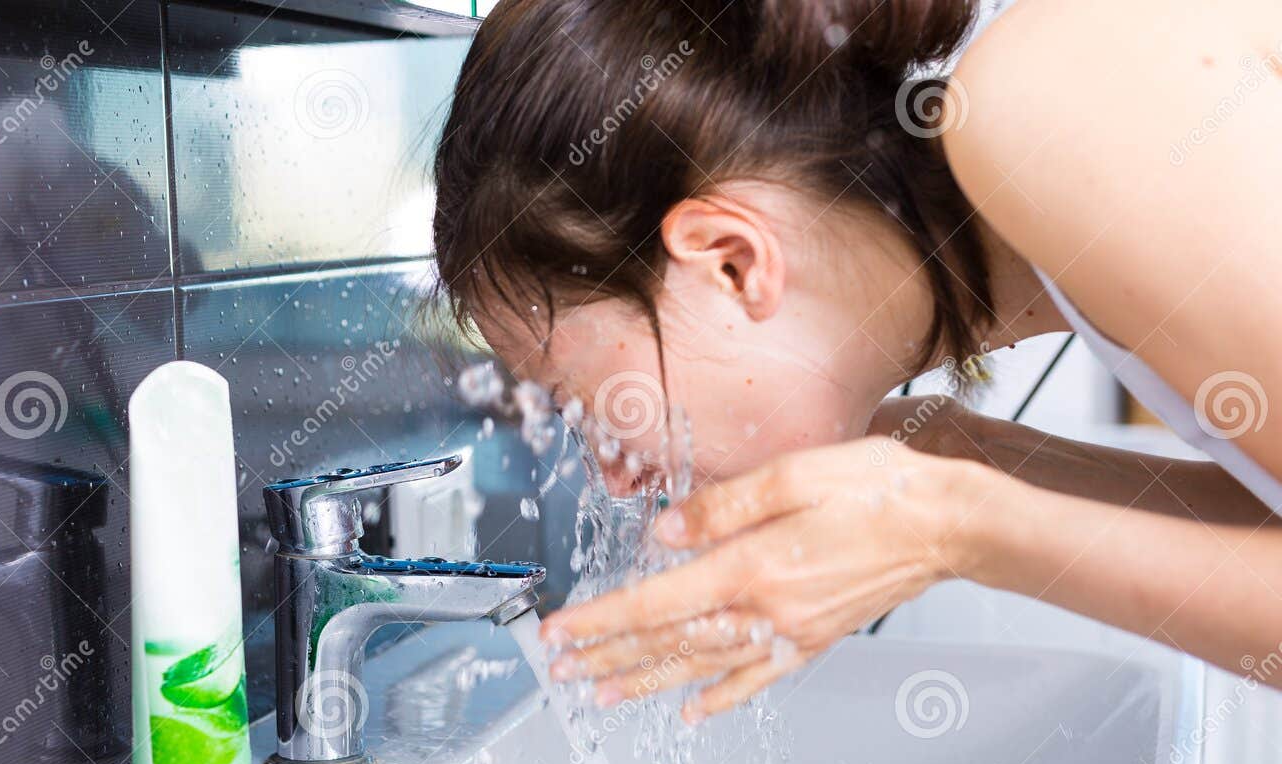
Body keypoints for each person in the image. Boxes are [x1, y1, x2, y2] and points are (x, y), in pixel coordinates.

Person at [432, 0, 1282, 721]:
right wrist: (973, 463)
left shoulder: (1055, 99)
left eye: (586, 401)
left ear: (731, 260)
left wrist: (955, 527)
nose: (615, 479)